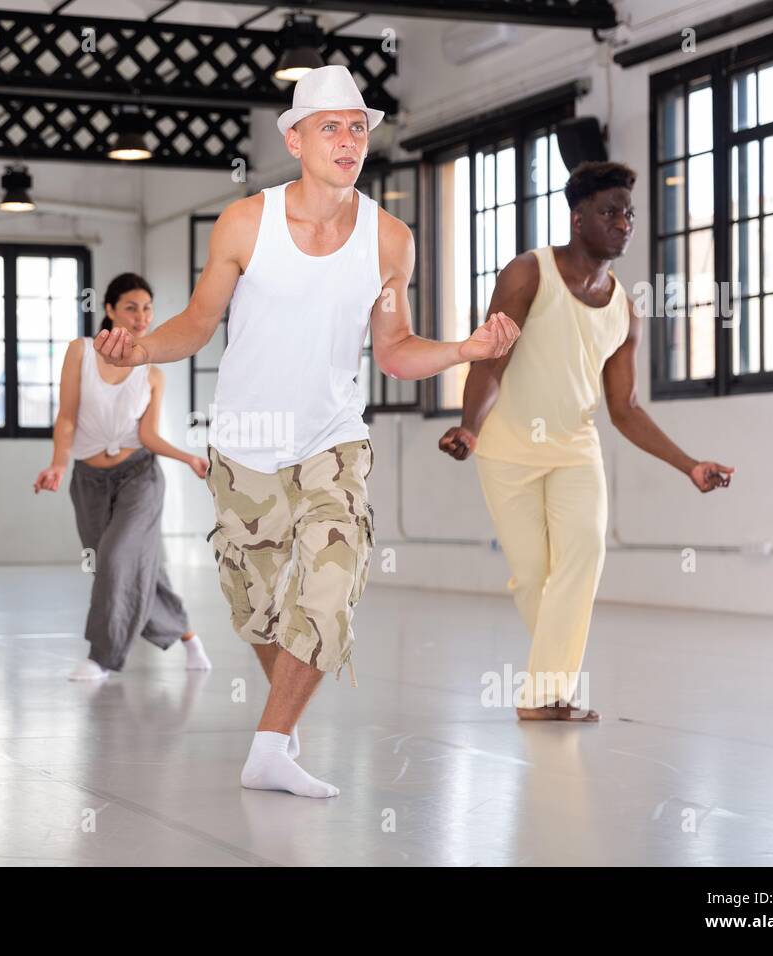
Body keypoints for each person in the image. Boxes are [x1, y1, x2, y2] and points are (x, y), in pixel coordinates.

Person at [94, 65, 519, 797]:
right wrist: (139, 347)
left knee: (330, 594)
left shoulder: (390, 241)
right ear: (294, 139)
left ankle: (267, 745)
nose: (349, 140)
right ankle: (280, 733)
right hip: (244, 446)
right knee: (257, 612)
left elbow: (392, 349)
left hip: (333, 442)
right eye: (331, 127)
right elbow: (196, 326)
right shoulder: (246, 223)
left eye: (358, 127)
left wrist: (463, 351)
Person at [438, 161, 735, 721]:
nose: (623, 223)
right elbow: (490, 362)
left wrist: (689, 465)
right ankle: (552, 687)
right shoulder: (528, 273)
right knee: (531, 575)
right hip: (504, 448)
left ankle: (546, 697)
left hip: (575, 450)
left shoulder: (625, 309)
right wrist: (470, 427)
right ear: (578, 218)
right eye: (610, 212)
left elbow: (624, 409)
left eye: (628, 214)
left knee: (583, 556)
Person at [34, 273, 212, 680]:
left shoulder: (152, 371)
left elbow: (147, 435)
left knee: (117, 559)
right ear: (110, 309)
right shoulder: (80, 352)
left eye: (147, 307)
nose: (141, 316)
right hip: (89, 480)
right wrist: (58, 463)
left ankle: (102, 657)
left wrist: (187, 458)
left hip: (140, 478)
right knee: (120, 566)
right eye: (131, 307)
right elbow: (67, 417)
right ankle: (188, 637)